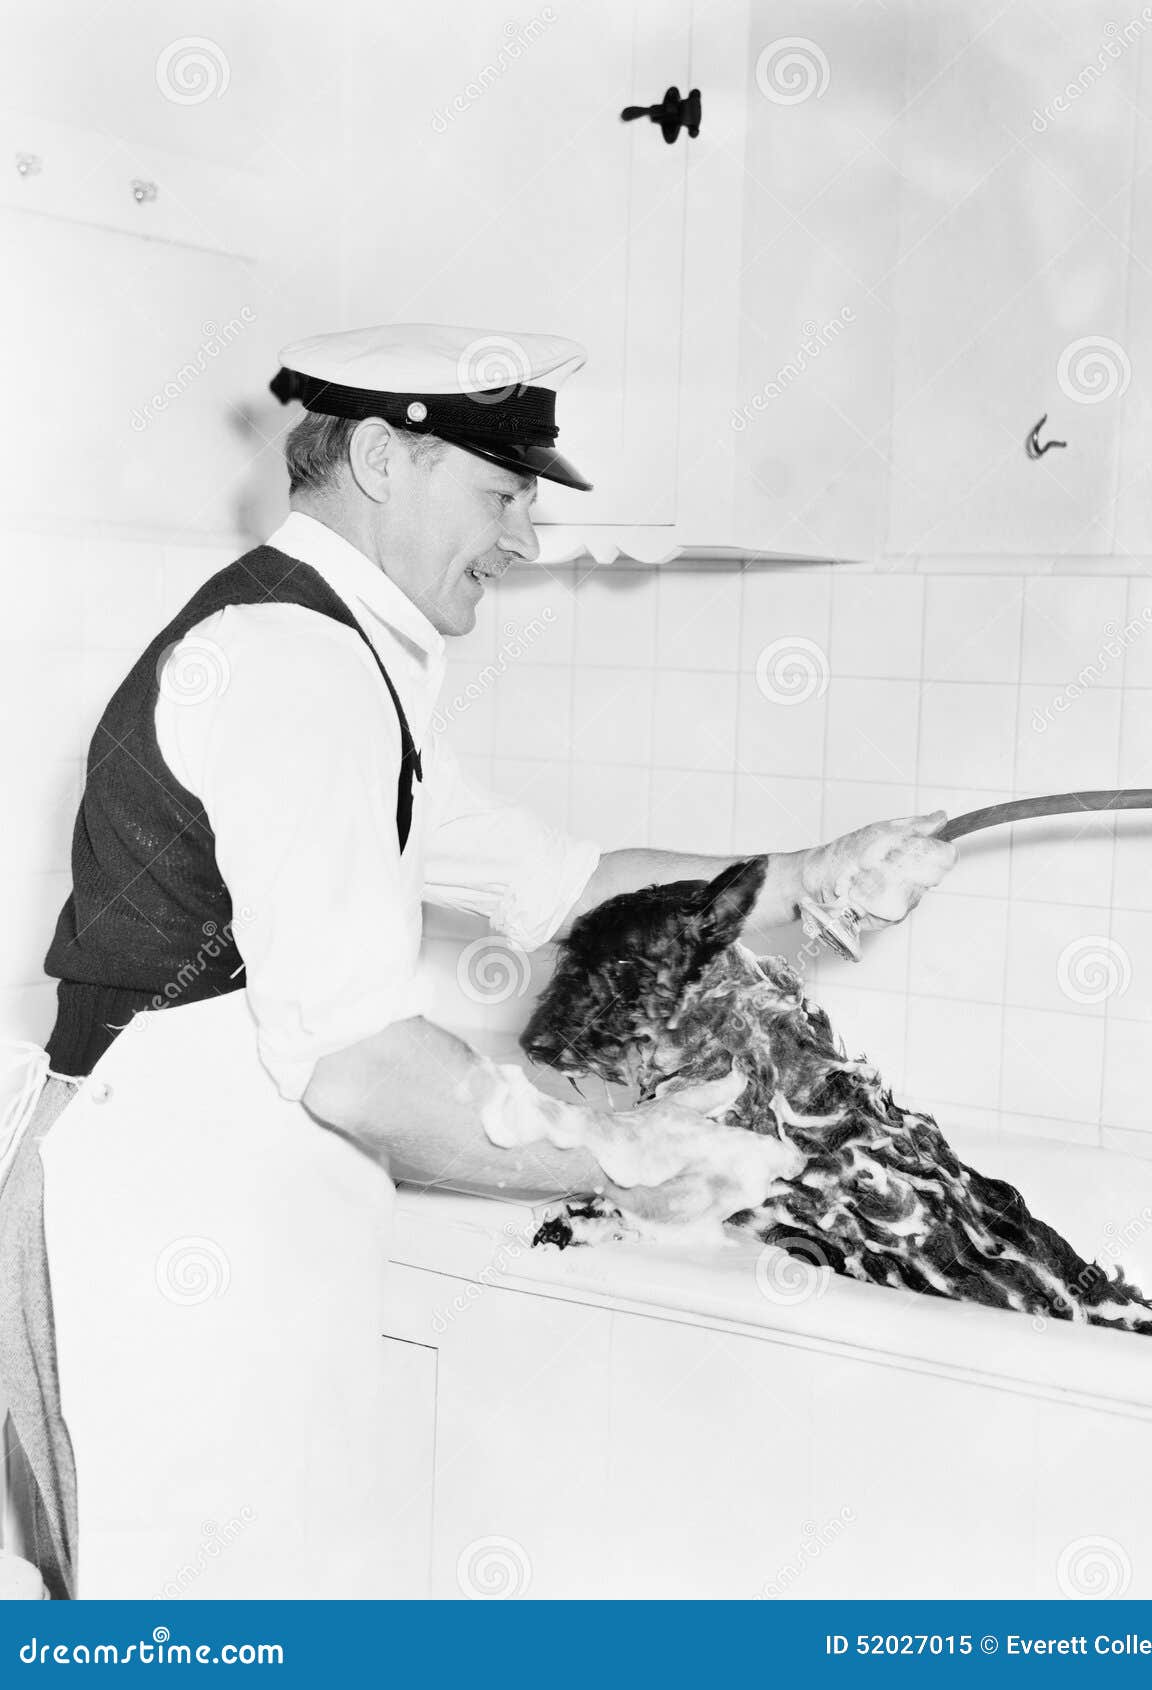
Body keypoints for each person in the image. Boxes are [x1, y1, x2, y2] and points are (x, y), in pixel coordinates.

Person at [0, 323, 954, 1599]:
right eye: (503, 494)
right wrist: (638, 1156)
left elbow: (564, 883)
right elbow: (360, 1068)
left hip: (222, 1213)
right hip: (158, 1225)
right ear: (386, 459)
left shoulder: (339, 657)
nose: (521, 539)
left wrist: (813, 872)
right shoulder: (294, 666)